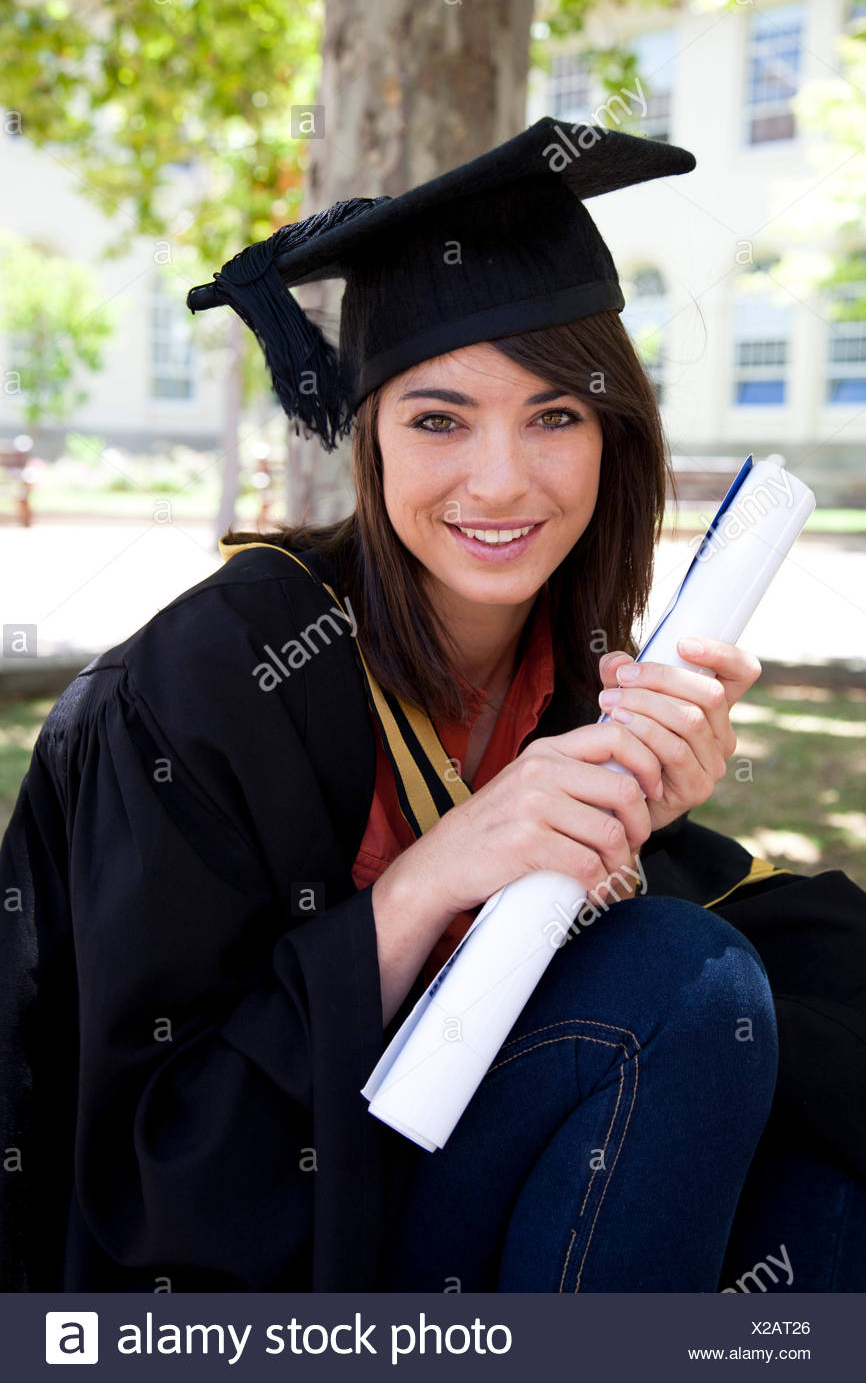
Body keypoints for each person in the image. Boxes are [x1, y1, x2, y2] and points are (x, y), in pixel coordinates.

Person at [1, 118, 864, 1294]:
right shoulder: (211, 683)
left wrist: (634, 828)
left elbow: (557, 982)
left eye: (554, 415)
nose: (501, 479)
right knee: (683, 978)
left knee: (822, 1166)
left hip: (466, 1171)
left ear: (612, 437)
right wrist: (431, 876)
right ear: (368, 436)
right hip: (272, 1252)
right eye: (438, 419)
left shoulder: (573, 663)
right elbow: (161, 1159)